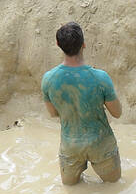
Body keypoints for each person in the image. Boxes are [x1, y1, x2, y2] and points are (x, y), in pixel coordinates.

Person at [41, 21, 122, 185]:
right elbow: (117, 113)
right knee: (114, 188)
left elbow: (53, 113)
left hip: (70, 146)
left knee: (72, 190)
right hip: (101, 144)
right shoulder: (100, 78)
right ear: (83, 44)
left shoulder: (48, 79)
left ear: (58, 45)